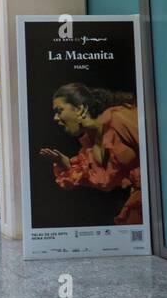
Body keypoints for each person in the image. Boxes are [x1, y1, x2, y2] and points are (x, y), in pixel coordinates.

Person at [40, 82, 142, 225]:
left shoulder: (117, 119)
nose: (55, 118)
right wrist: (67, 165)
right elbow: (105, 180)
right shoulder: (93, 140)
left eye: (59, 110)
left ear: (80, 109)